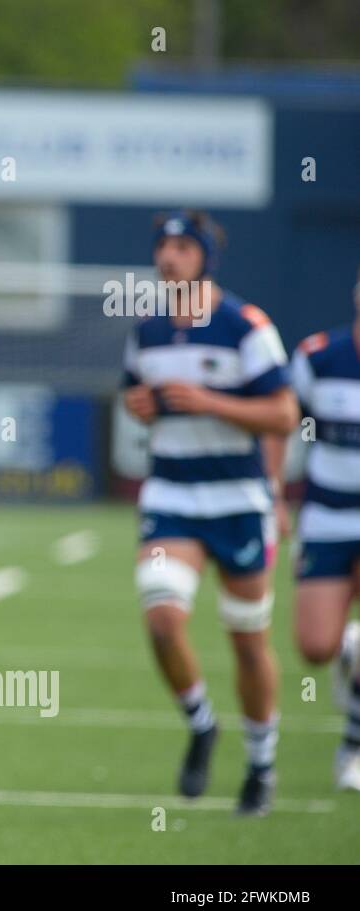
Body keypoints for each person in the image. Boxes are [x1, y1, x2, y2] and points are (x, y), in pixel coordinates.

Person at [121, 210, 298, 816]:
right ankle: (201, 723)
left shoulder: (245, 325)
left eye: (182, 247)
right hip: (172, 496)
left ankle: (262, 760)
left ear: (204, 258)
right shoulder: (146, 330)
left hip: (237, 501)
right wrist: (141, 406)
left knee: (249, 643)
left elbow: (282, 414)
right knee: (162, 616)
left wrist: (210, 403)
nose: (169, 257)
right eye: (162, 246)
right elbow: (133, 396)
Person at [288, 269, 360, 791]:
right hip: (327, 517)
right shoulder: (317, 356)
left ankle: (353, 747)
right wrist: (271, 495)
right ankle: (348, 651)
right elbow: (280, 425)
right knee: (316, 646)